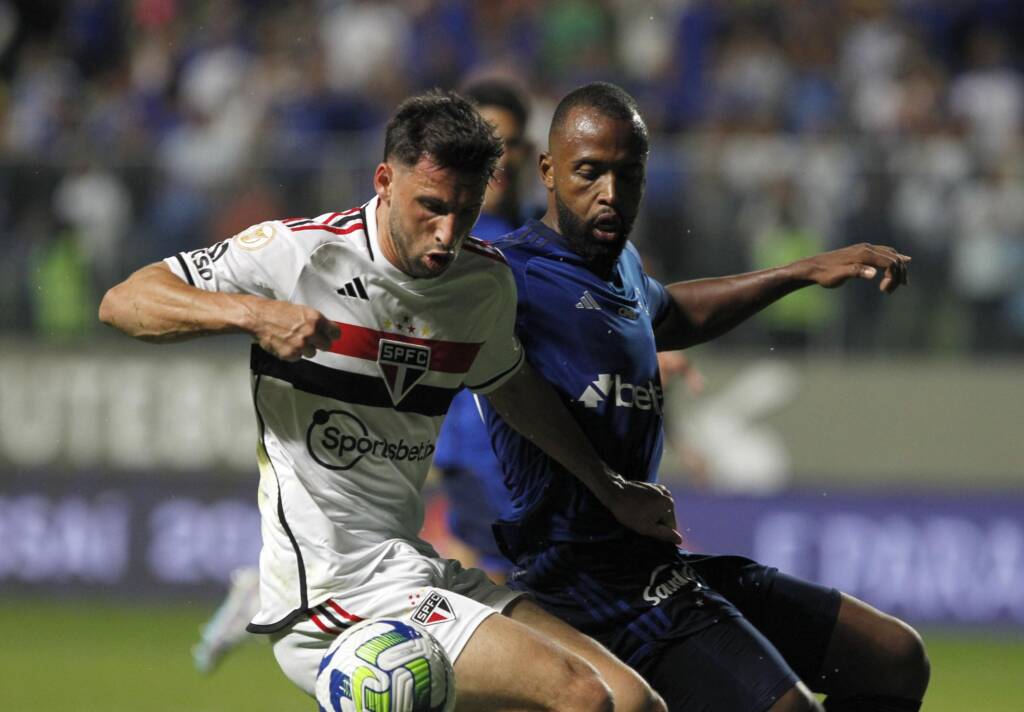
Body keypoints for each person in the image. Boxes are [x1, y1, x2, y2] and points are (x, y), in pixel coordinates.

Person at [99, 89, 670, 711]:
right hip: (332, 590)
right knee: (580, 697)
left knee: (632, 701)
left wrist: (609, 486)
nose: (446, 235)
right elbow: (125, 302)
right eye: (430, 207)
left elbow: (512, 388)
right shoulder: (298, 255)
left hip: (413, 567)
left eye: (464, 212)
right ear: (384, 182)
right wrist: (254, 313)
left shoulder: (481, 284)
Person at [480, 82, 930, 712]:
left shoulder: (623, 266)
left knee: (894, 658)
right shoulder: (506, 276)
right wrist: (609, 486)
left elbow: (673, 312)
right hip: (583, 584)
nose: (610, 194)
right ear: (548, 171)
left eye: (628, 174)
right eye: (589, 173)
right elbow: (498, 381)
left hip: (657, 568)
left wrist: (800, 270)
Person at [430, 78, 535, 582]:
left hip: (535, 447)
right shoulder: (433, 236)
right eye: (484, 141)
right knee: (503, 601)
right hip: (473, 449)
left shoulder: (545, 235)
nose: (498, 156)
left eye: (508, 143)